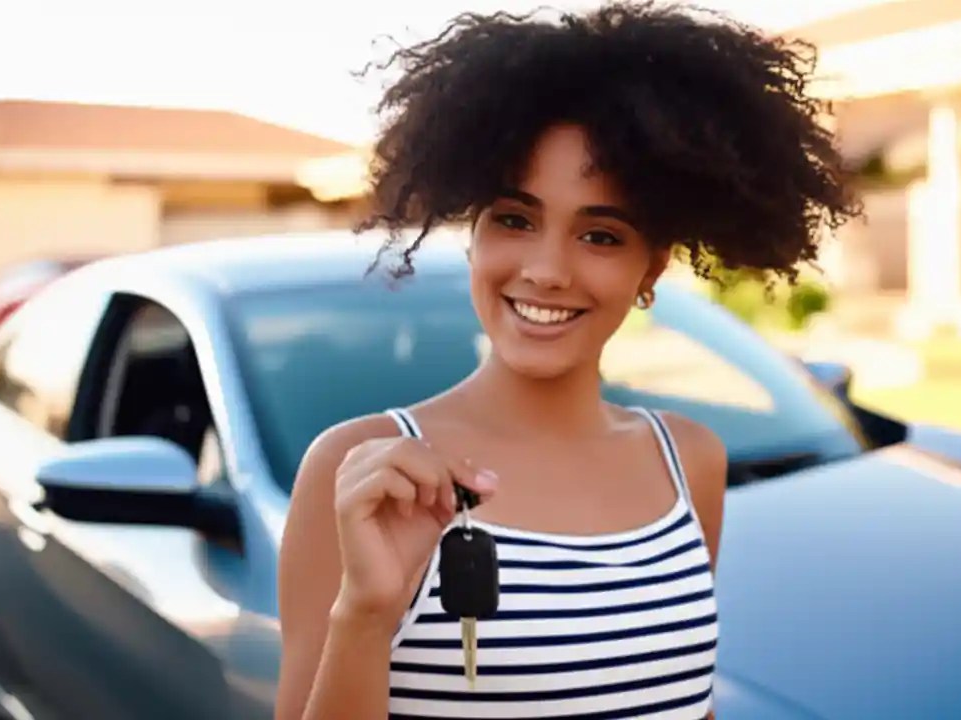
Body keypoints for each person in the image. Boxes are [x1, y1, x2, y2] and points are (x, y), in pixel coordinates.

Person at [275, 3, 859, 718]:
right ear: (474, 238)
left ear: (653, 268)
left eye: (602, 235)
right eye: (515, 220)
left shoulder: (688, 461)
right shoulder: (366, 470)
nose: (547, 270)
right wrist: (365, 614)